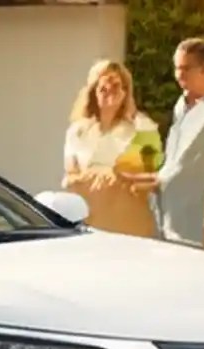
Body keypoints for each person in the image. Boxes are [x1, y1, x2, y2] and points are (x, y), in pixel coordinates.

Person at [125, 38, 204, 265]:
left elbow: (190, 171)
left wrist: (152, 181)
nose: (178, 75)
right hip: (173, 223)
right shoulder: (183, 103)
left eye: (185, 69)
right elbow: (174, 160)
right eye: (176, 68)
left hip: (203, 229)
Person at [62, 59, 164, 238]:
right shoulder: (78, 131)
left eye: (117, 84)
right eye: (104, 85)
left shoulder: (144, 128)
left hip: (129, 225)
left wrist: (103, 176)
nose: (110, 90)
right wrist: (112, 177)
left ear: (126, 91)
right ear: (93, 90)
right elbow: (70, 179)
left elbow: (149, 177)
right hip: (89, 224)